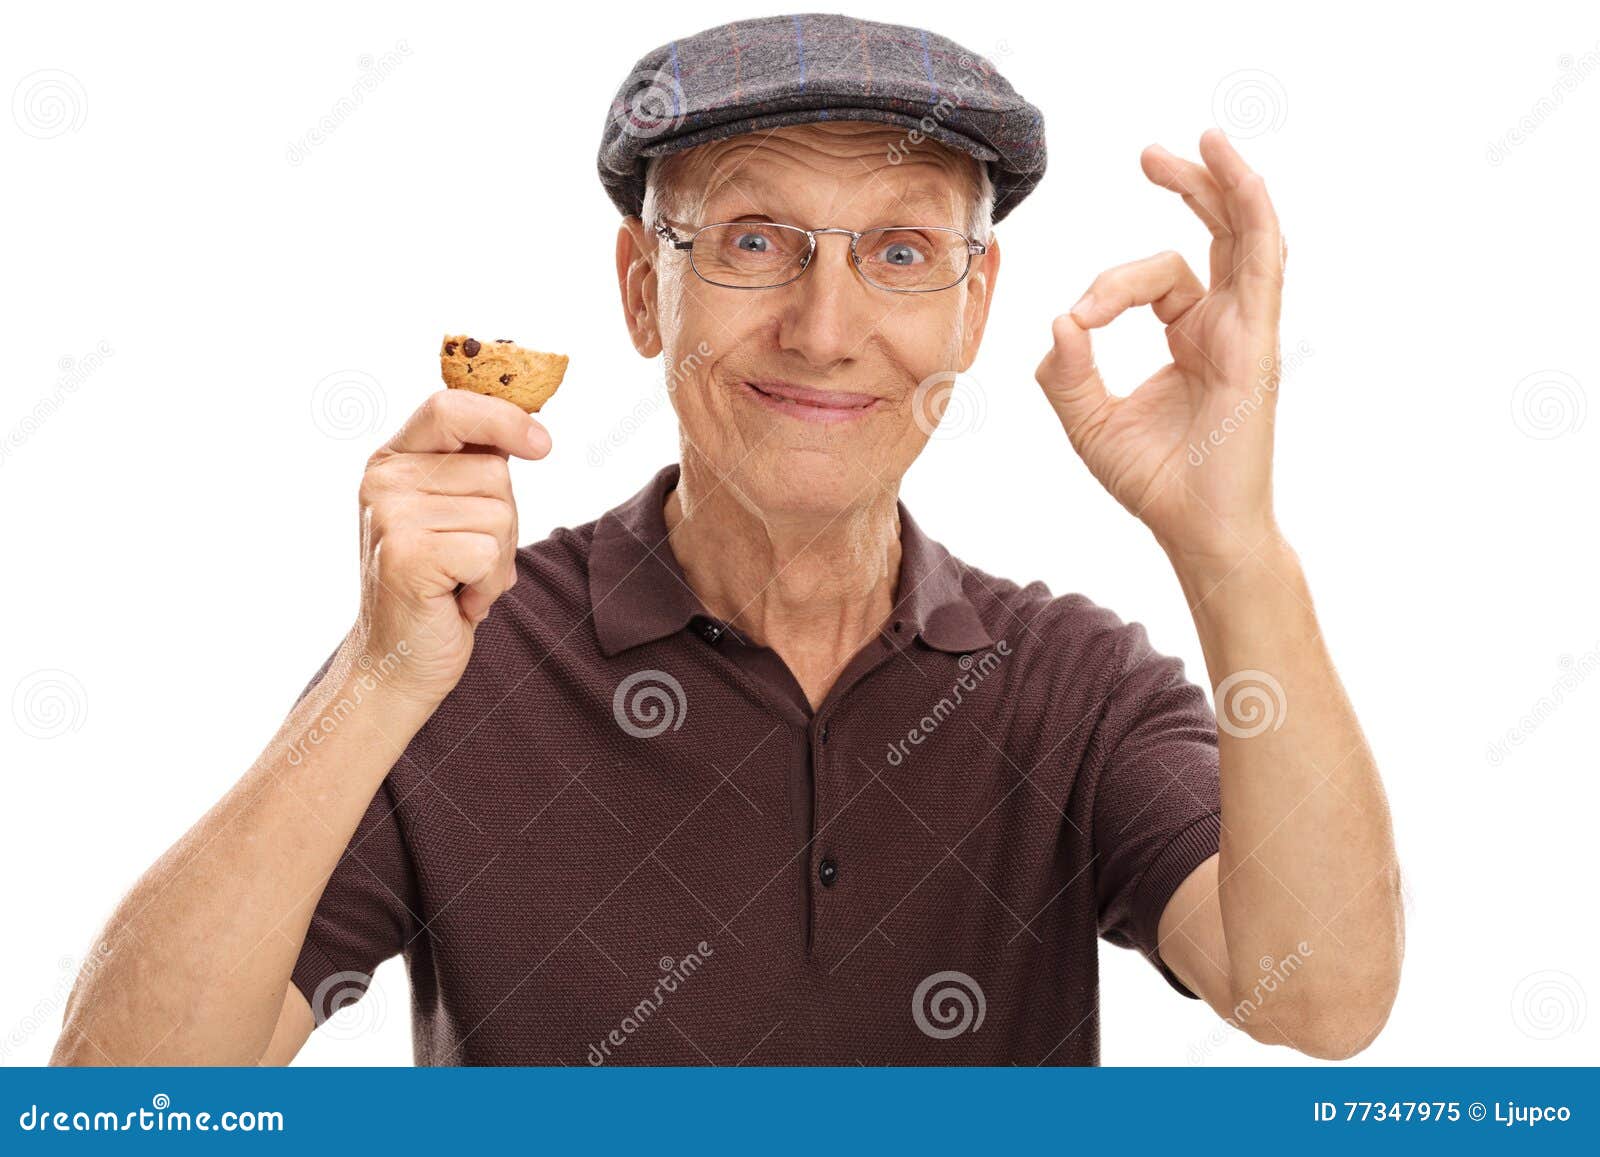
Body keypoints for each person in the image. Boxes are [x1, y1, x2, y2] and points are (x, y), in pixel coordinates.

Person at [52, 13, 1401, 1067]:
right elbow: (120, 1099)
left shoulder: (1072, 685)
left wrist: (1231, 542)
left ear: (975, 305)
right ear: (647, 288)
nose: (823, 328)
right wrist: (373, 680)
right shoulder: (461, 660)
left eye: (899, 252)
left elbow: (1326, 999)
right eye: (757, 241)